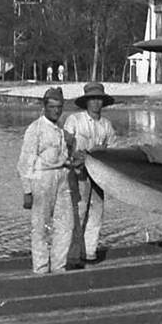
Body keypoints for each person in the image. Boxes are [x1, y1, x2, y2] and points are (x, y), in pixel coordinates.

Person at [17, 86, 76, 274]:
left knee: (66, 224)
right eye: (52, 106)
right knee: (40, 225)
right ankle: (41, 268)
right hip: (41, 177)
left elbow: (65, 156)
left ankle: (59, 266)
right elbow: (25, 162)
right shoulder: (35, 129)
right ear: (44, 107)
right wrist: (27, 191)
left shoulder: (61, 130)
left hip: (62, 177)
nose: (56, 111)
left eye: (59, 107)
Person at [64, 81, 119, 265]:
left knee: (96, 213)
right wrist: (77, 155)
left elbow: (115, 150)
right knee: (77, 214)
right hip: (79, 174)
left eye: (99, 99)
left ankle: (90, 253)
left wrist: (102, 152)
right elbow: (66, 144)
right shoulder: (75, 120)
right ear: (86, 102)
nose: (96, 103)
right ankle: (71, 255)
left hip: (99, 175)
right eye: (92, 99)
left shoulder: (106, 125)